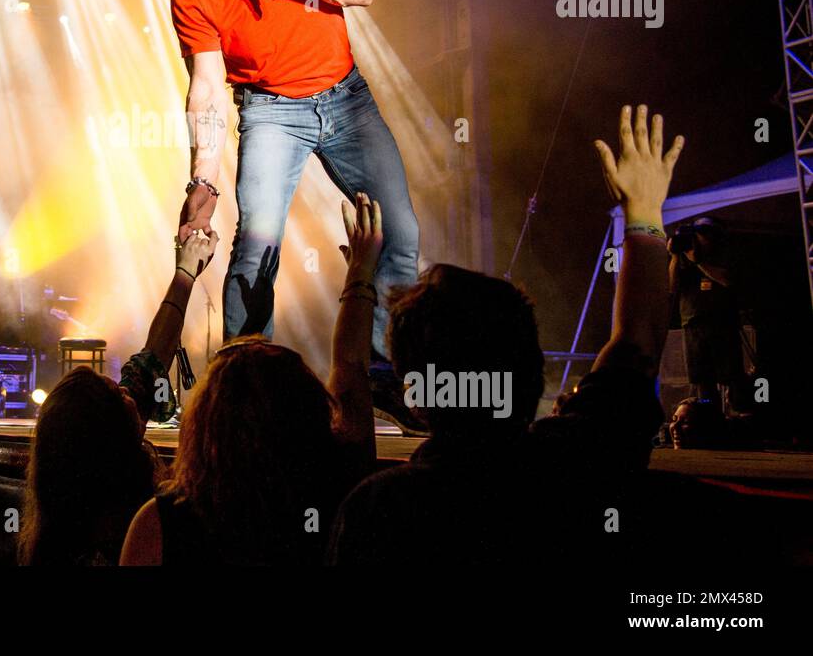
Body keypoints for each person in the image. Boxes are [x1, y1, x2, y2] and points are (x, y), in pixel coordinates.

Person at [329, 105, 769, 568]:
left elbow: (350, 378)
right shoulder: (574, 464)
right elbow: (635, 344)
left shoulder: (378, 508)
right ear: (532, 371)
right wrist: (642, 212)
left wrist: (360, 275)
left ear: (413, 396)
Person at [165, 0, 422, 431]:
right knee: (256, 245)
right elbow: (205, 86)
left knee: (398, 231)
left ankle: (386, 376)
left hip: (346, 97)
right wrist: (202, 178)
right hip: (269, 110)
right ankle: (246, 391)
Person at [119, 193, 379, 565]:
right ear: (309, 409)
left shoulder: (162, 523)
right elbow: (352, 368)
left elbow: (146, 371)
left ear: (204, 424)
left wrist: (185, 272)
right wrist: (361, 274)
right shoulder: (342, 494)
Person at [19, 229, 218, 566]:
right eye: (115, 393)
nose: (125, 387)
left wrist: (185, 273)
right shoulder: (101, 545)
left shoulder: (102, 463)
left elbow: (154, 353)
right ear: (106, 440)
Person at [668, 217, 746, 412]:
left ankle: (741, 416)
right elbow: (672, 287)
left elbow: (727, 280)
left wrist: (698, 261)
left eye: (702, 234)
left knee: (732, 377)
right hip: (693, 324)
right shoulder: (687, 257)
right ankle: (710, 416)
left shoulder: (724, 254)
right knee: (703, 380)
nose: (698, 238)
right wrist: (676, 256)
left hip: (722, 323)